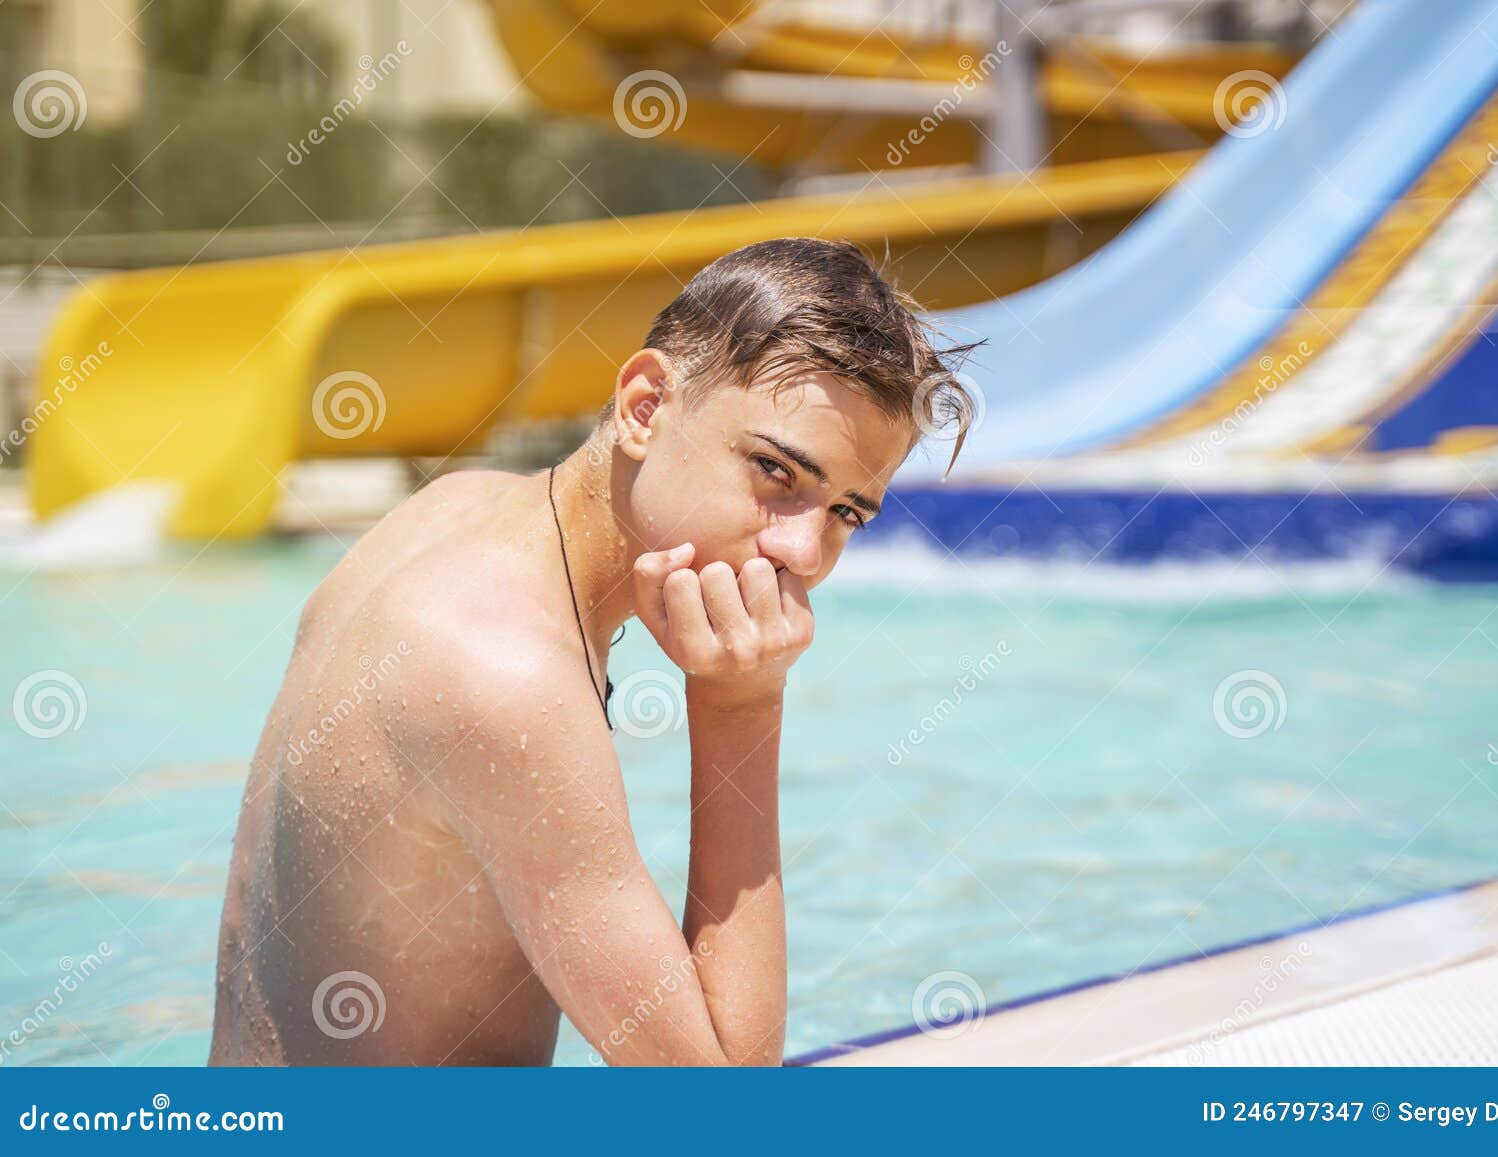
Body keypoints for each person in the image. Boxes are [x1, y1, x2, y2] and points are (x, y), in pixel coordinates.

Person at [208, 237, 979, 1066]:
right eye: (775, 471)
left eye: (847, 513)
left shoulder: (454, 510)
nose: (802, 549)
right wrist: (742, 704)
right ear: (646, 406)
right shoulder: (502, 671)